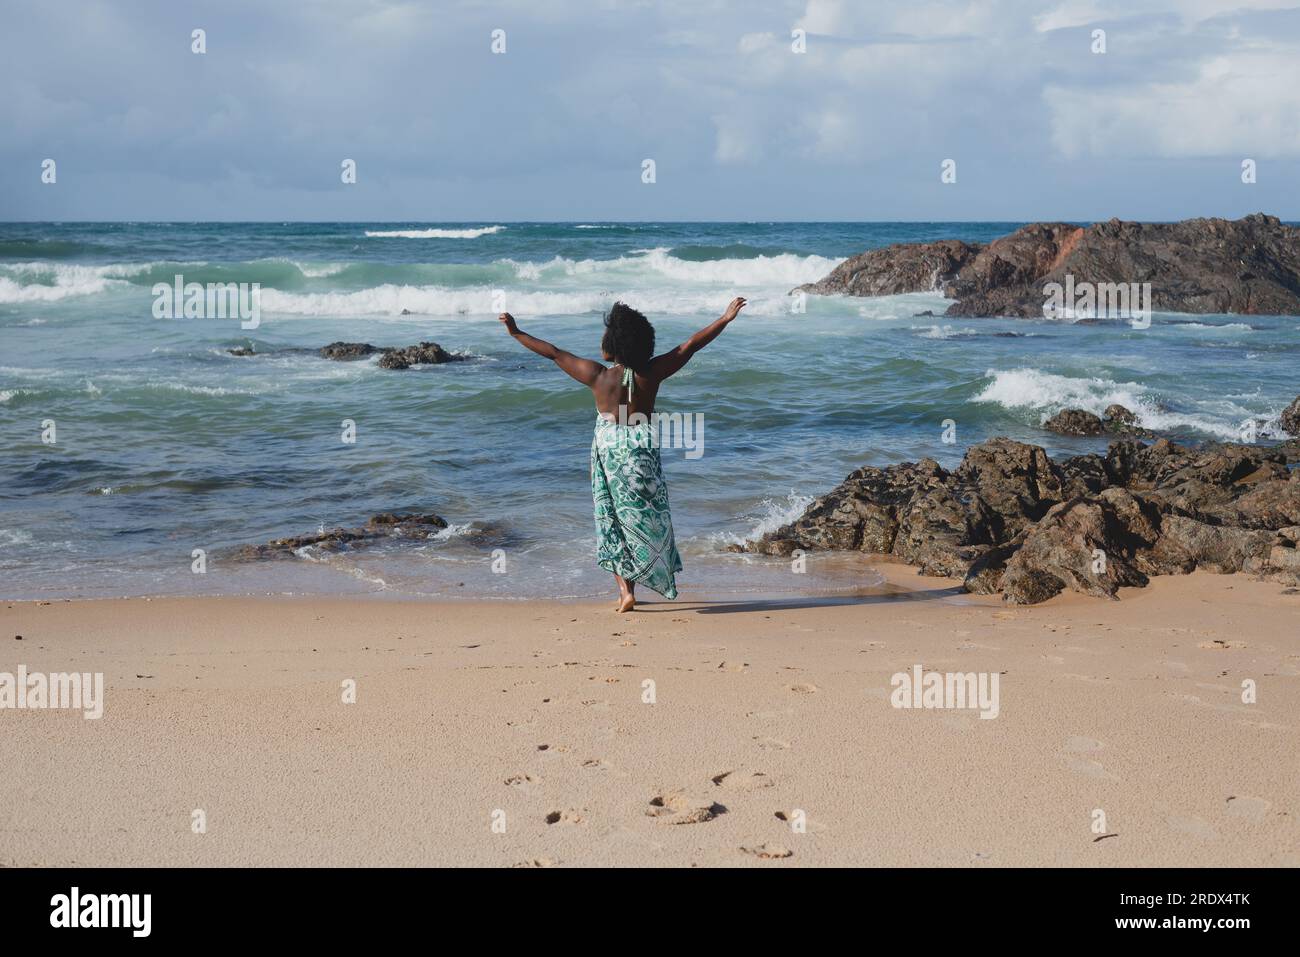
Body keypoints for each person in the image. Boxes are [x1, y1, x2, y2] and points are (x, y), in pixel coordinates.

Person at [499, 297, 747, 611]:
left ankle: (625, 592)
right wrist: (724, 319)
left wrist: (516, 333)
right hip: (642, 447)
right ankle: (650, 571)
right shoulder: (651, 372)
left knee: (611, 517)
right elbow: (689, 346)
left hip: (610, 451)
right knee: (646, 517)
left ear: (614, 344)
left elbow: (554, 353)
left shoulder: (597, 375)